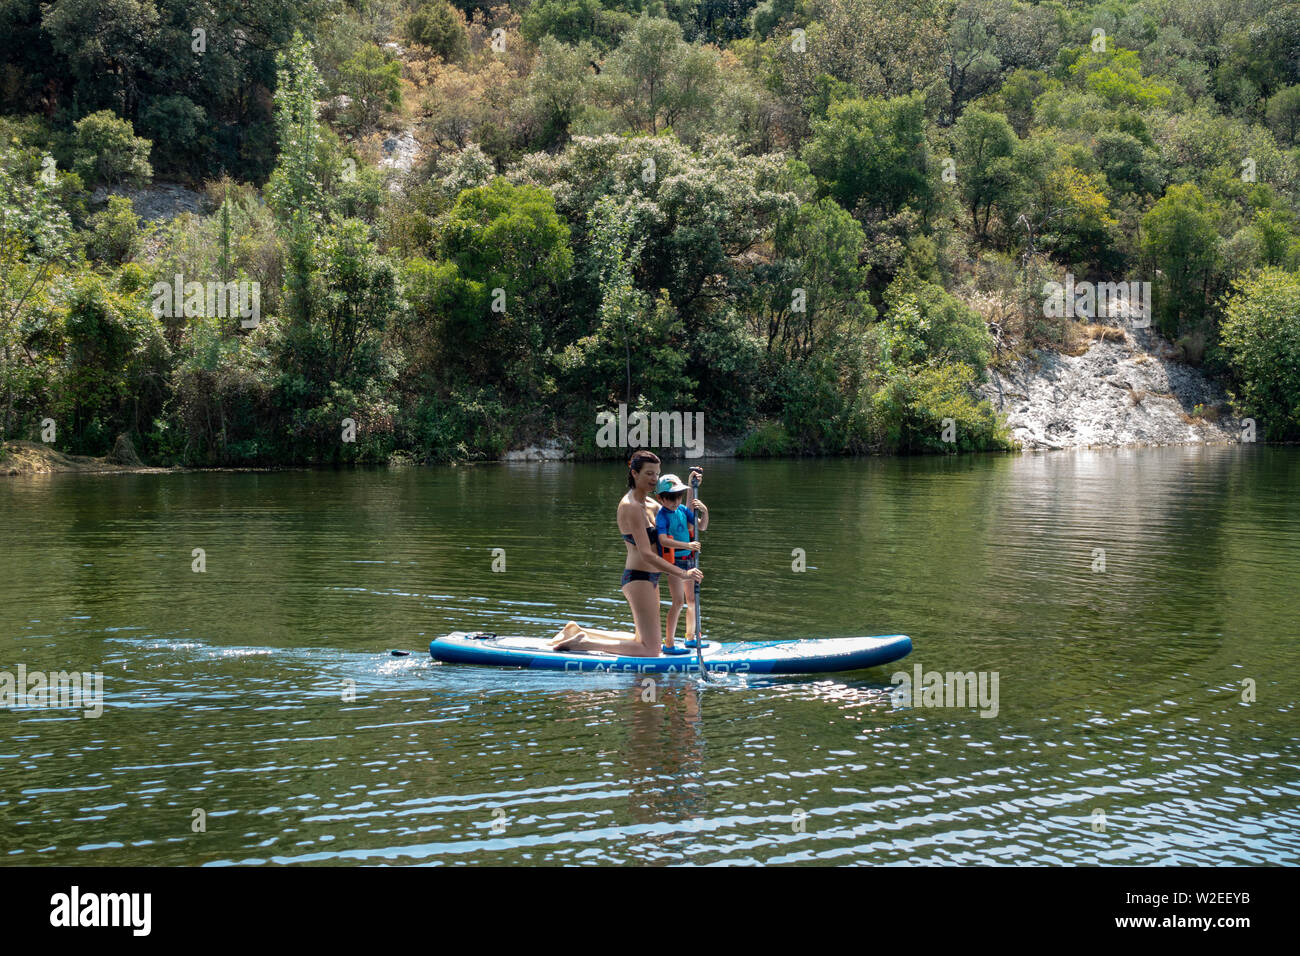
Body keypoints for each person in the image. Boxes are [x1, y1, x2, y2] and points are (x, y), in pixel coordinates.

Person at [550, 450, 702, 657]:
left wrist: (691, 488)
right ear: (634, 473)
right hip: (638, 578)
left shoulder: (651, 504)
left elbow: (680, 515)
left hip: (651, 578)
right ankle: (581, 643)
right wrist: (682, 573)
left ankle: (578, 632)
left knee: (643, 640)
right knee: (651, 650)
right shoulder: (631, 506)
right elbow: (647, 554)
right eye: (649, 473)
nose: (654, 479)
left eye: (657, 474)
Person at [654, 471, 708, 650]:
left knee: (692, 601)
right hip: (674, 564)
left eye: (678, 496)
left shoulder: (683, 510)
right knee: (678, 602)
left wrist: (705, 510)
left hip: (689, 561)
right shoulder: (662, 516)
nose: (675, 502)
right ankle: (669, 643)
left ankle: (690, 637)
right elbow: (663, 540)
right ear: (660, 499)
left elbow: (702, 526)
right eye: (670, 498)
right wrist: (687, 545)